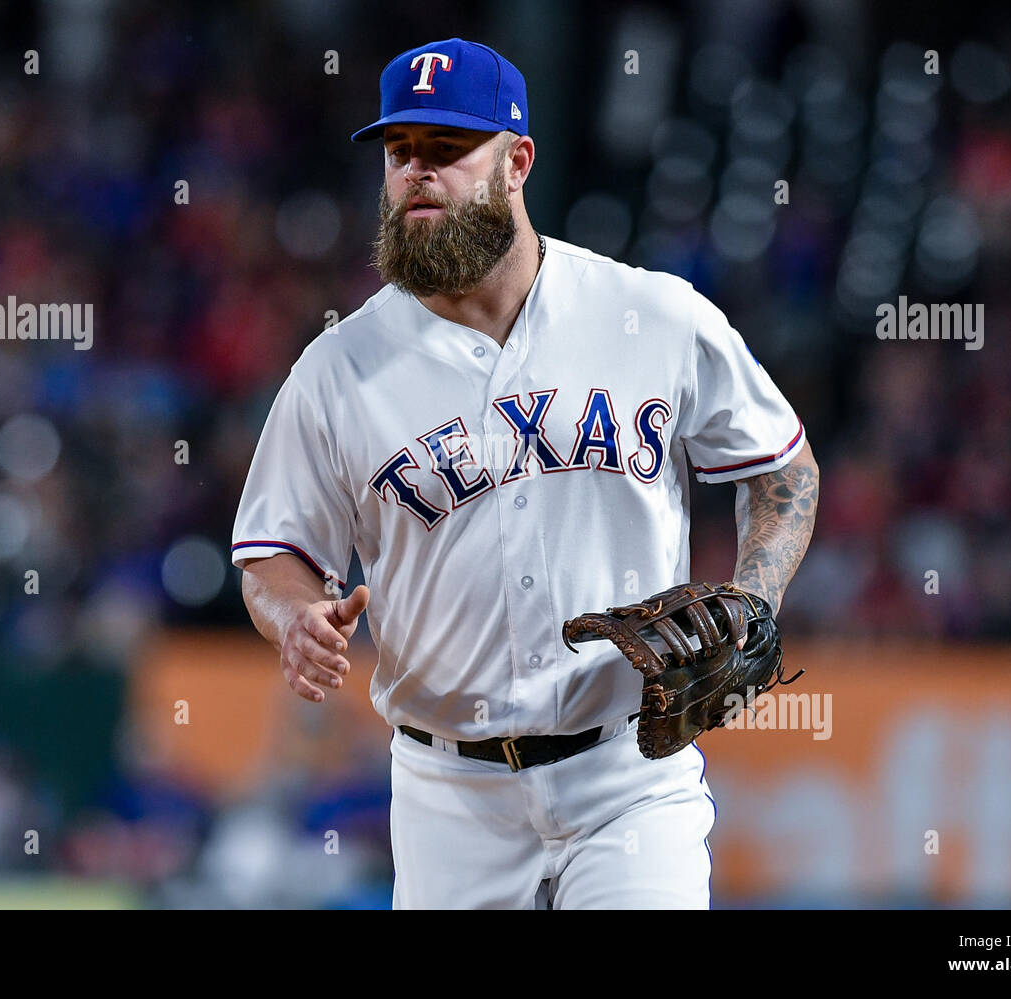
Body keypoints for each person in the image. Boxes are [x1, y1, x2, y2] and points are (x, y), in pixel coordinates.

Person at [233, 37, 819, 909]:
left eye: (445, 151)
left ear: (517, 162)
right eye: (400, 154)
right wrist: (295, 618)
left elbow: (783, 470)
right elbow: (269, 553)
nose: (415, 174)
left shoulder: (648, 315)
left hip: (628, 772)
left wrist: (757, 600)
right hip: (448, 796)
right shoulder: (337, 369)